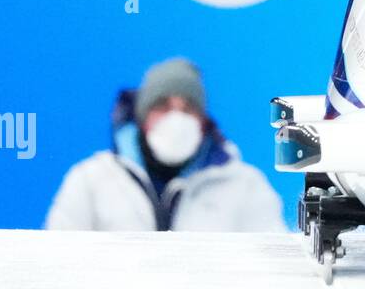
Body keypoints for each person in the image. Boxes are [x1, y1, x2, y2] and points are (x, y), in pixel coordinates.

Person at [45, 58, 286, 232]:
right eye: (162, 106)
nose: (176, 118)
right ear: (142, 117)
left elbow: (270, 272)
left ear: (203, 122)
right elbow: (60, 263)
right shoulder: (91, 180)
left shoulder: (244, 185)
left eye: (188, 108)